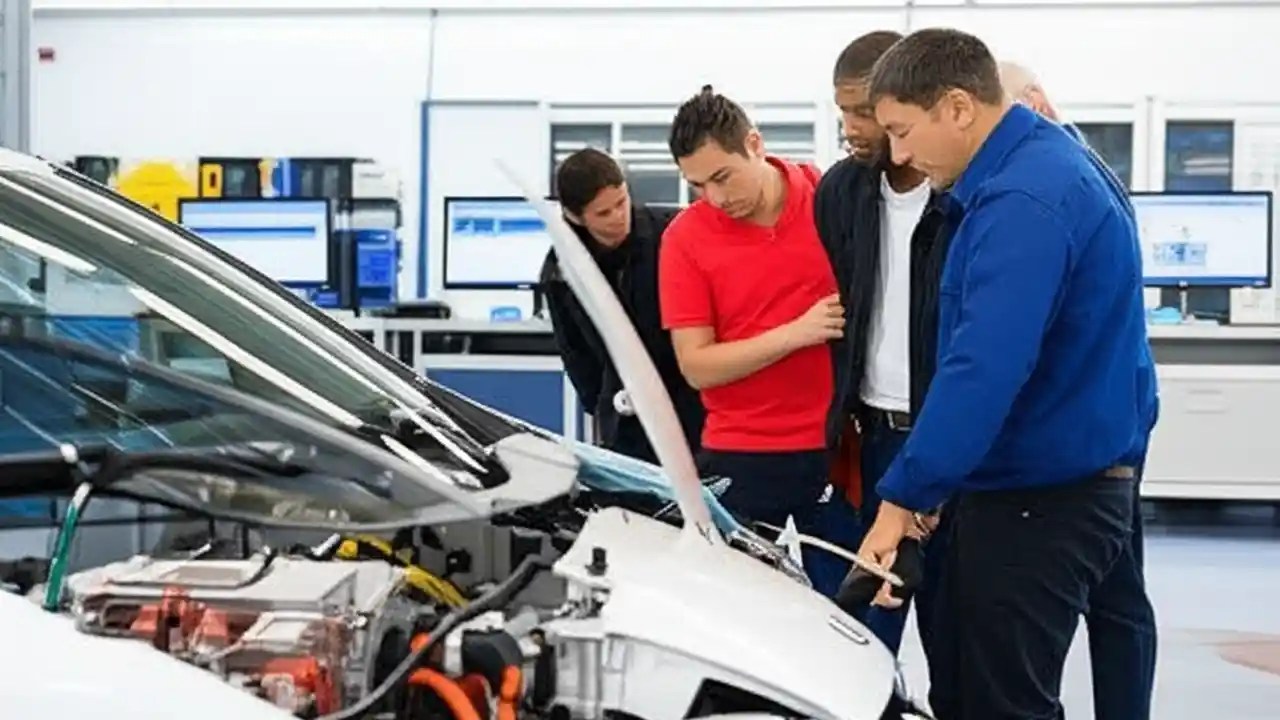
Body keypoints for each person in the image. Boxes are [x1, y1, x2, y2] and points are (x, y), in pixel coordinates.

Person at [855, 29, 1159, 719]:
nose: (898, 154)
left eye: (904, 131)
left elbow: (982, 367)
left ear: (958, 108)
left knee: (1002, 705)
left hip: (1042, 501)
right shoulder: (1045, 169)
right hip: (1035, 484)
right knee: (967, 691)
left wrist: (902, 498)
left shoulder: (1025, 199)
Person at [1000, 59, 1159, 720]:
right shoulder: (1081, 169)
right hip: (1117, 413)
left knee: (1110, 593)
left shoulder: (1059, 182)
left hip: (1099, 426)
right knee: (1120, 589)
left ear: (1034, 101)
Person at [658, 85, 856, 596]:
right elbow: (697, 365)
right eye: (698, 185)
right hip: (741, 454)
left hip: (838, 448)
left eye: (722, 177)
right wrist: (796, 333)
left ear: (754, 143)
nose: (716, 199)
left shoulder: (829, 197)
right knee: (739, 621)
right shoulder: (685, 239)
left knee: (853, 619)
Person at [815, 29, 953, 657]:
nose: (851, 126)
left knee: (958, 631)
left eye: (864, 111)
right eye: (841, 109)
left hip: (948, 436)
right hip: (870, 439)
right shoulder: (842, 191)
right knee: (866, 632)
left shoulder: (958, 192)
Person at [539, 148, 704, 463]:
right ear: (574, 216)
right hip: (627, 419)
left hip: (694, 407)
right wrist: (605, 411)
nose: (618, 217)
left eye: (621, 202)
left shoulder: (674, 232)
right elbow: (577, 357)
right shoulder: (562, 271)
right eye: (603, 213)